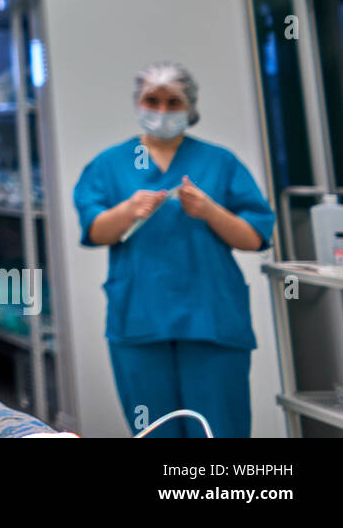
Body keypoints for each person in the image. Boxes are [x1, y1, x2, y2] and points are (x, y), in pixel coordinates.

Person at [73, 62, 274, 438]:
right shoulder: (110, 164)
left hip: (211, 319)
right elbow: (96, 231)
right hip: (140, 318)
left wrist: (210, 210)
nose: (162, 111)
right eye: (153, 100)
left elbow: (254, 238)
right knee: (155, 430)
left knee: (218, 429)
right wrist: (128, 210)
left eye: (173, 102)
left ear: (190, 107)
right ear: (138, 102)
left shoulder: (220, 162)